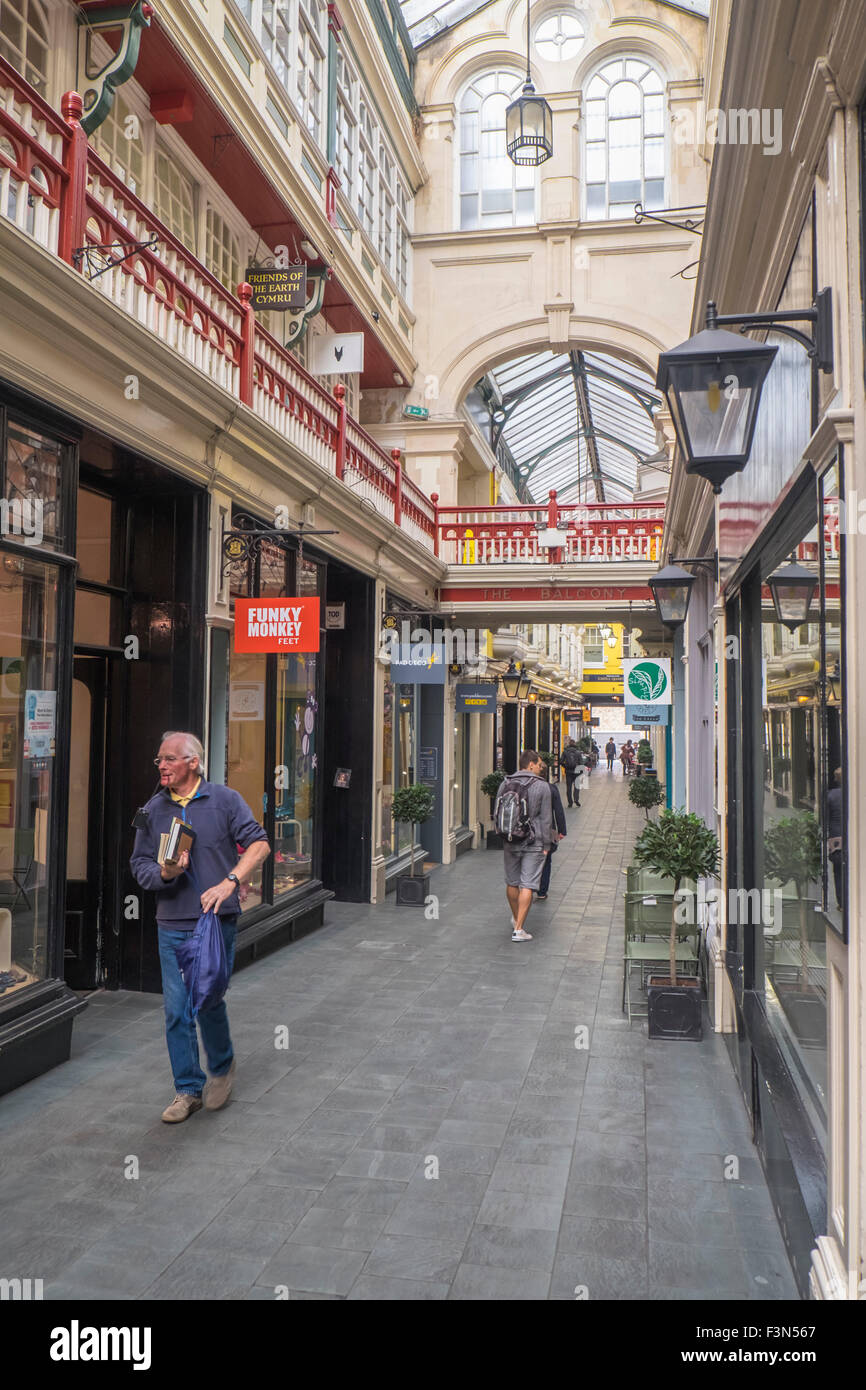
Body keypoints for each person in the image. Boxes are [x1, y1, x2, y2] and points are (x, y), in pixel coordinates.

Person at [130, 731, 271, 1123]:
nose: (162, 765)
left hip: (216, 921)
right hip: (172, 921)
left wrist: (231, 880)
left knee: (208, 998)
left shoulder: (225, 800)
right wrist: (165, 871)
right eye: (159, 759)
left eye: (170, 759)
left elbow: (259, 845)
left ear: (193, 762)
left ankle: (222, 1068)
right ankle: (187, 1089)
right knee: (177, 1009)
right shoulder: (152, 809)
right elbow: (139, 865)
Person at [493, 749, 555, 942]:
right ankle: (519, 929)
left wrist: (502, 834)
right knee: (527, 884)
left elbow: (496, 811)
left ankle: (516, 918)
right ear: (530, 764)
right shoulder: (542, 786)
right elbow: (546, 819)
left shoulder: (505, 782)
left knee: (512, 882)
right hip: (534, 840)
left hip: (510, 838)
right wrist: (547, 845)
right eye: (538, 764)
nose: (540, 767)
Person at [536, 772, 566, 899]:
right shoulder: (551, 788)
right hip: (547, 829)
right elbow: (558, 810)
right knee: (546, 860)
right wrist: (562, 830)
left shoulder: (527, 787)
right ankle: (542, 891)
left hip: (529, 830)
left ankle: (529, 886)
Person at [826, 766, 843, 910]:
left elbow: (825, 818)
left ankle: (842, 903)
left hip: (836, 839)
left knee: (838, 871)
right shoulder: (855, 793)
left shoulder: (831, 795)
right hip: (850, 837)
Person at [560, 738, 583, 807]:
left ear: (569, 744)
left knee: (569, 787)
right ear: (575, 744)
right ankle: (576, 799)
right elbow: (581, 763)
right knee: (576, 787)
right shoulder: (578, 752)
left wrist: (565, 767)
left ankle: (570, 802)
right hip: (577, 772)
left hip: (568, 772)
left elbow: (561, 761)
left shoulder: (565, 752)